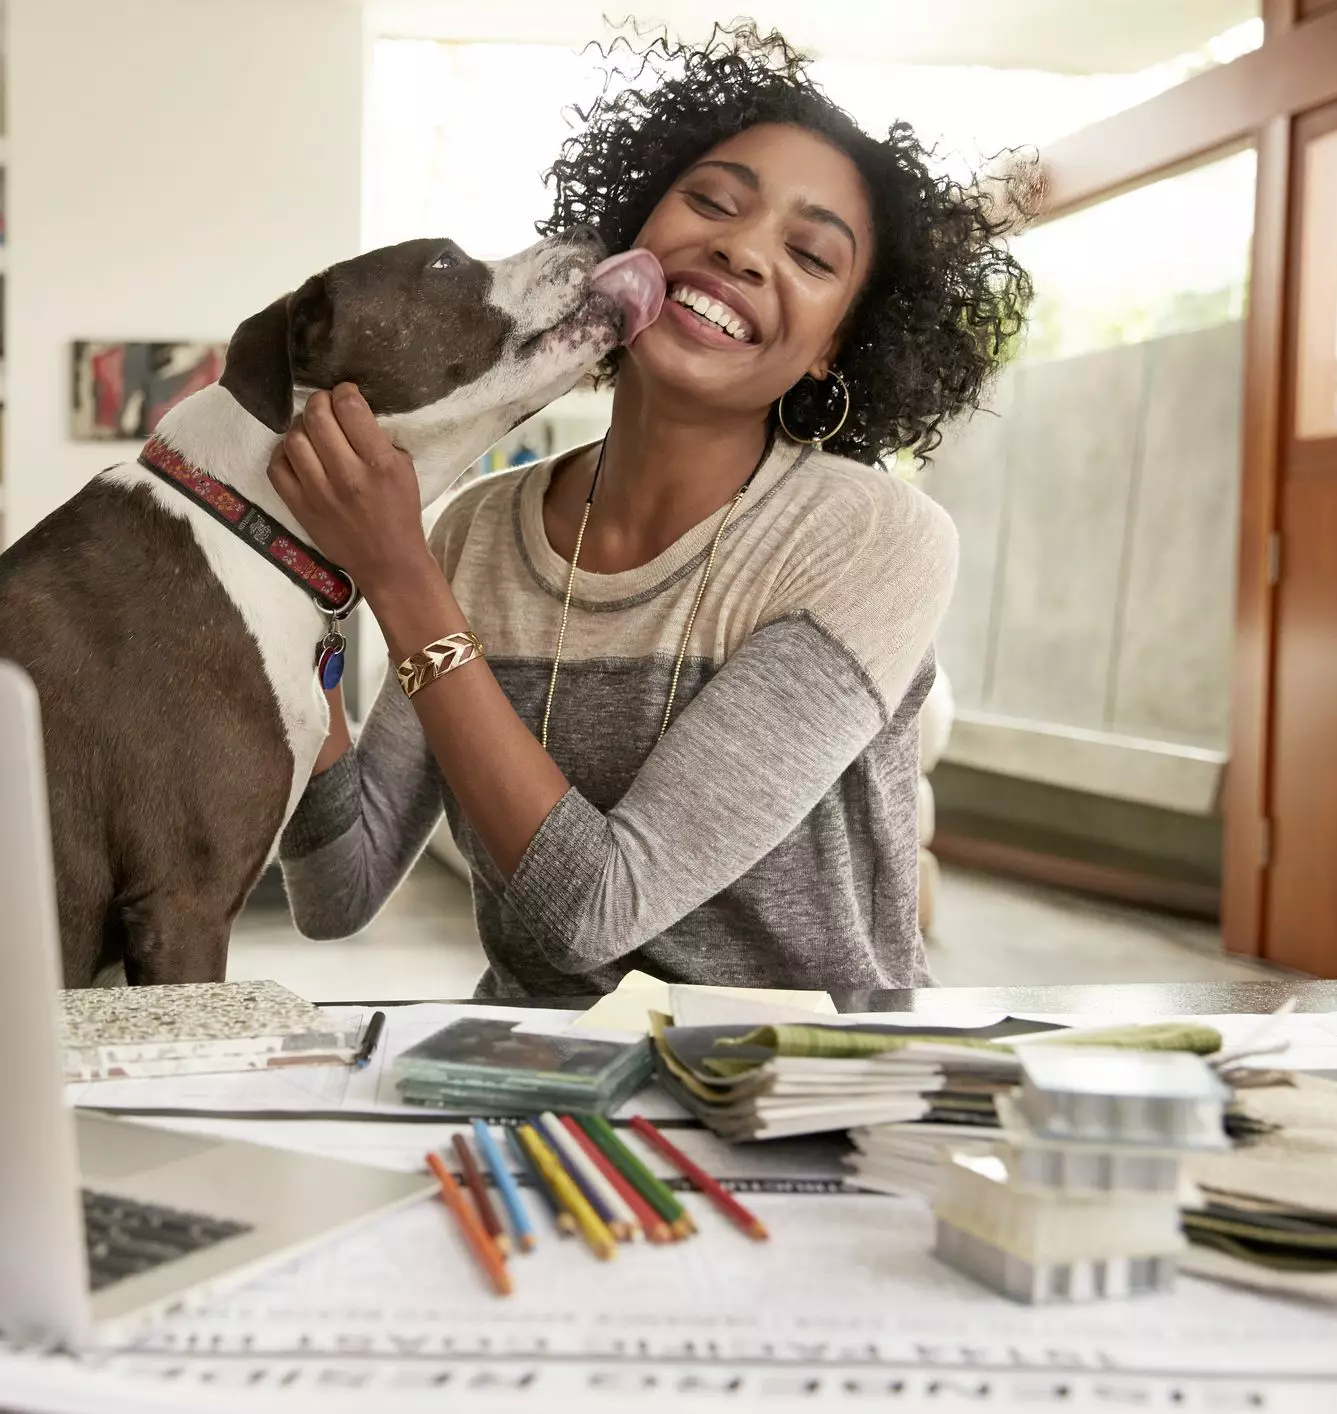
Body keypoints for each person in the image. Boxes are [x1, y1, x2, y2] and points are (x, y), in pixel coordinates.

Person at [269, 26, 1032, 998]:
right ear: (635, 239)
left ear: (837, 347)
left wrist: (401, 577)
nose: (741, 248)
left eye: (808, 253)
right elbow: (339, 891)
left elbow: (596, 908)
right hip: (536, 1091)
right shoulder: (477, 531)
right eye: (712, 202)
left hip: (795, 1099)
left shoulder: (874, 537)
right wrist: (308, 589)